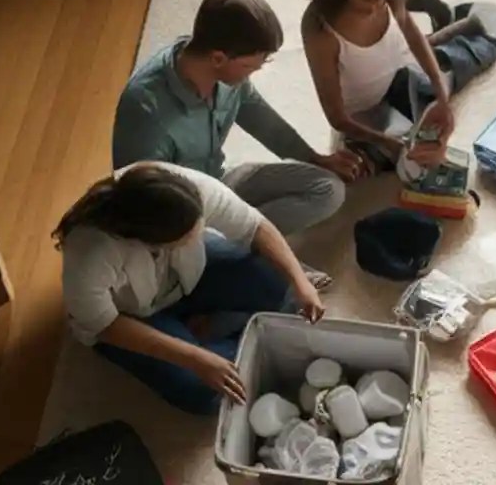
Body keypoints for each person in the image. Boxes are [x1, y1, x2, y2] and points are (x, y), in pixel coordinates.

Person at [55, 162, 326, 415]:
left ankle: (217, 338)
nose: (196, 233)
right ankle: (209, 341)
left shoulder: (185, 191)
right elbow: (103, 324)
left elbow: (255, 226)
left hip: (188, 276)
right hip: (132, 314)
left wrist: (300, 280)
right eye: (187, 236)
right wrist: (195, 358)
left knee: (279, 280)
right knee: (207, 391)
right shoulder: (90, 252)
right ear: (153, 240)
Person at [113, 0, 360, 253]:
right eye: (250, 65)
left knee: (328, 190)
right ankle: (253, 252)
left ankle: (251, 247)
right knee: (206, 256)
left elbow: (260, 117)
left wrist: (315, 158)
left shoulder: (223, 72)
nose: (253, 72)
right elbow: (141, 202)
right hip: (182, 220)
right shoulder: (146, 110)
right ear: (218, 58)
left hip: (222, 185)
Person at [299, 0, 496, 173]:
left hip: (402, 72)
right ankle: (453, 23)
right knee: (387, 162)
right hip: (366, 113)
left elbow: (413, 35)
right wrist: (391, 143)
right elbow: (336, 117)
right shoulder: (320, 29)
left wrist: (443, 101)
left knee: (459, 66)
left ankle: (464, 26)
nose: (377, 3)